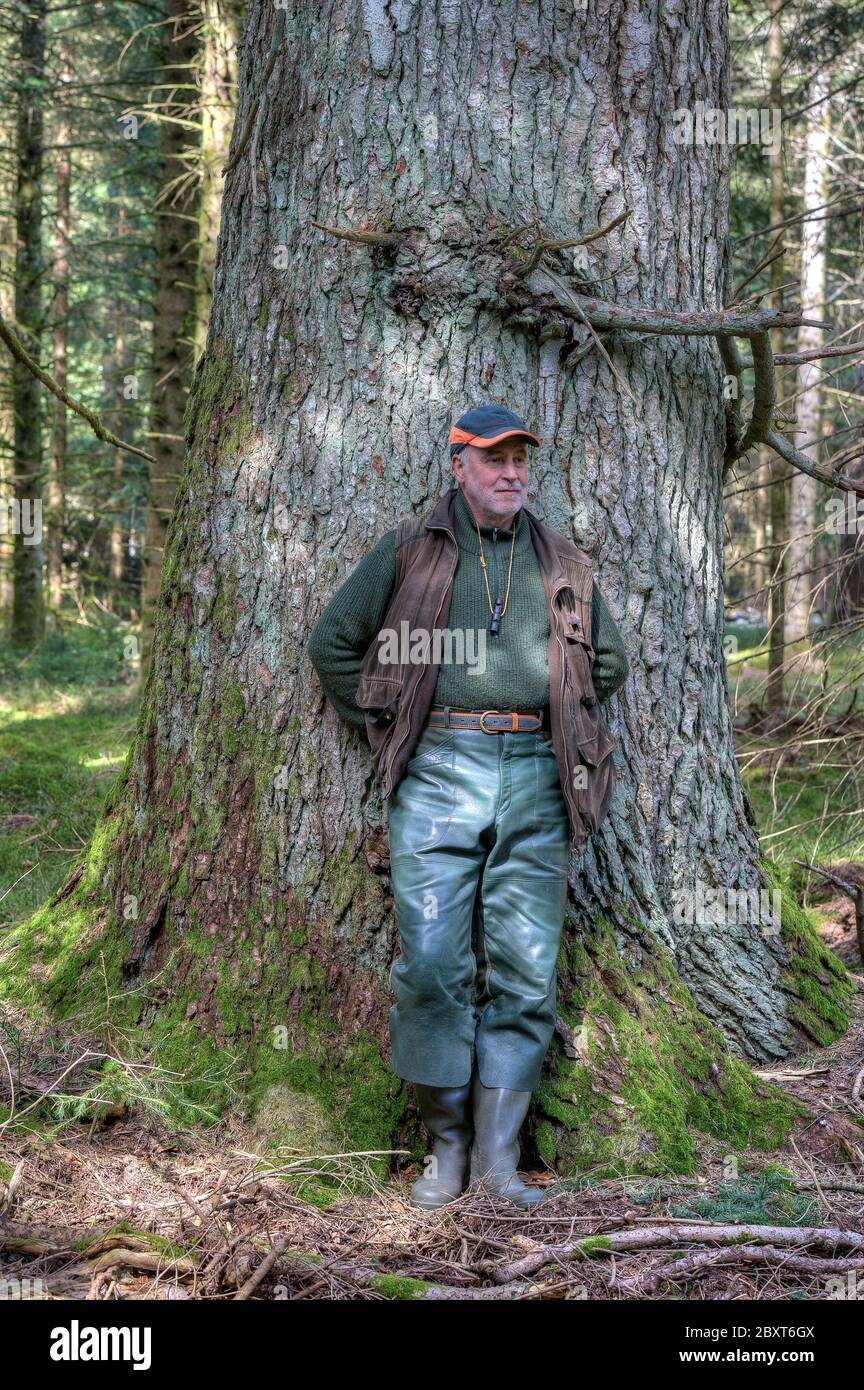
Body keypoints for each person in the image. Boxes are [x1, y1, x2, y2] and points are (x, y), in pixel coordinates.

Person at [308, 405, 628, 1208]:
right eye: (495, 459)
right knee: (432, 970)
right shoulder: (413, 549)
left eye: (521, 458)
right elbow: (333, 642)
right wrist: (387, 715)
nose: (512, 472)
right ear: (459, 466)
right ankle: (445, 1157)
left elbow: (610, 662)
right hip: (439, 769)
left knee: (525, 974)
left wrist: (559, 714)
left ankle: (497, 1165)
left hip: (536, 774)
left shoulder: (562, 561)